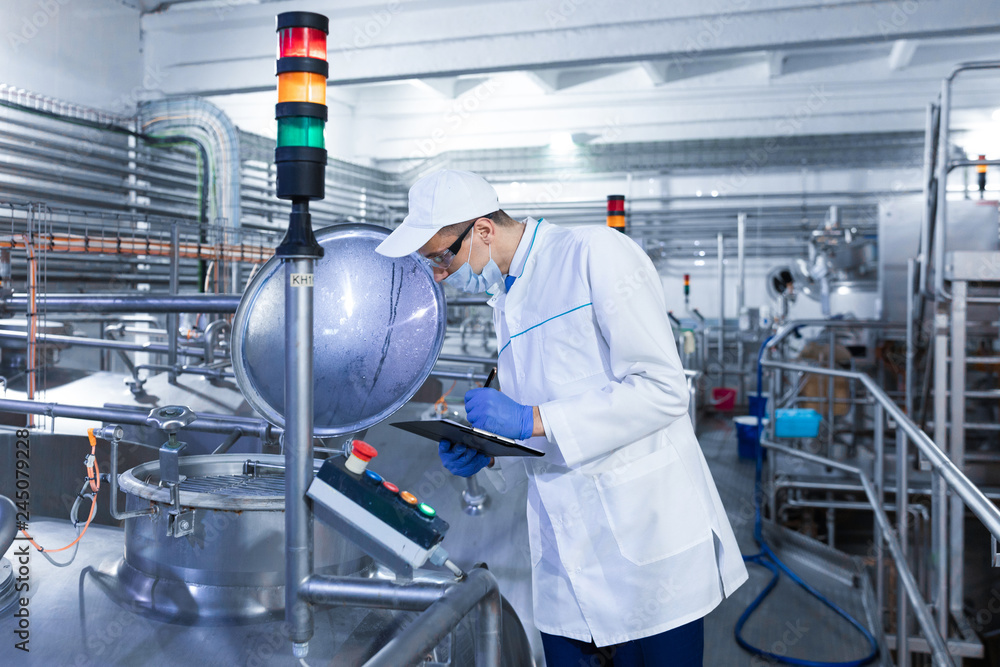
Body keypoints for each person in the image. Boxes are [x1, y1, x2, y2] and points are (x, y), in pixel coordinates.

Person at [376, 170, 747, 666]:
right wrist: (487, 454)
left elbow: (662, 391)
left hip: (646, 541)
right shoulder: (506, 300)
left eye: (443, 257)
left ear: (483, 230)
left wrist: (529, 418)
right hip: (564, 556)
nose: (441, 275)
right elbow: (545, 429)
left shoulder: (595, 254)